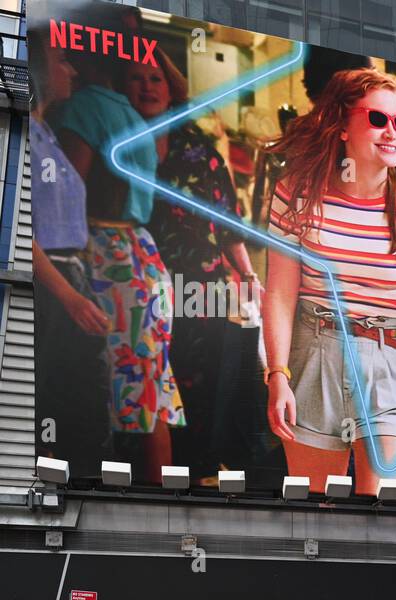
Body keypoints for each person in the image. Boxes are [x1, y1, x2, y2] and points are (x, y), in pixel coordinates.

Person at [263, 68, 396, 495]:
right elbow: (281, 295)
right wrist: (277, 375)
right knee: (318, 512)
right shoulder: (297, 193)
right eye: (378, 119)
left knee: (381, 508)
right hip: (315, 352)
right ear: (341, 126)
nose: (392, 132)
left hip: (391, 360)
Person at [123, 52, 267, 482]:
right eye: (137, 78)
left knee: (202, 386)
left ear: (171, 90)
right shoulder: (116, 143)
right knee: (153, 382)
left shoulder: (197, 148)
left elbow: (227, 224)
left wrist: (248, 275)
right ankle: (156, 477)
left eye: (156, 78)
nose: (147, 86)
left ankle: (198, 470)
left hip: (201, 288)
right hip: (142, 285)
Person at [55, 8, 184, 483]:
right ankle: (160, 502)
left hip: (104, 255)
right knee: (149, 390)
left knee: (97, 390)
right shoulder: (132, 112)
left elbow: (67, 195)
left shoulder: (83, 108)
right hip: (142, 257)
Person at [29, 24, 114, 480]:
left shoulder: (48, 132)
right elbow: (22, 233)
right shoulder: (24, 133)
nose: (71, 68)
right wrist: (68, 295)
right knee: (61, 397)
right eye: (61, 60)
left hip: (70, 281)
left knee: (81, 400)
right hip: (50, 289)